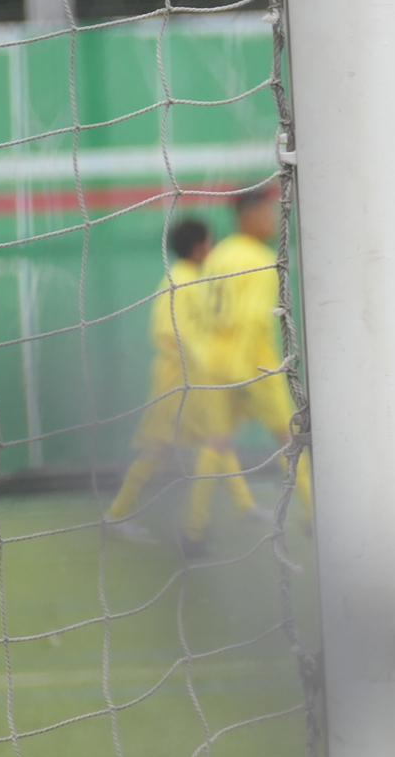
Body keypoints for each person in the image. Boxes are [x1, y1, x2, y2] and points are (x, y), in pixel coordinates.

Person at [106, 216, 255, 542]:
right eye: (210, 242)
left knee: (218, 438)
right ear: (201, 247)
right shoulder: (180, 282)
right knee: (161, 449)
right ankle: (119, 514)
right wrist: (202, 360)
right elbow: (166, 331)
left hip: (195, 380)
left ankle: (245, 507)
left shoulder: (193, 279)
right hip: (177, 383)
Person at [184, 186, 310, 554]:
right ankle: (318, 519)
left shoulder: (217, 256)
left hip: (215, 365)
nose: (273, 220)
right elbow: (255, 319)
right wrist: (261, 371)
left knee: (216, 443)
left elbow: (206, 312)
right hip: (254, 365)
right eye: (267, 213)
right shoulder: (261, 258)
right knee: (291, 440)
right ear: (248, 216)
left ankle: (192, 529)